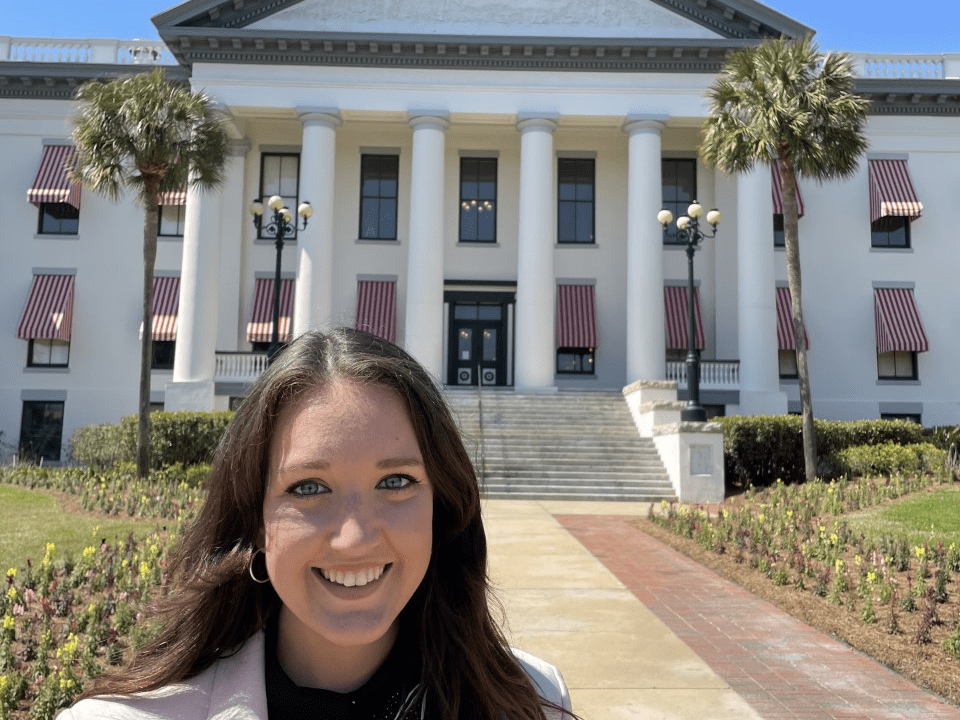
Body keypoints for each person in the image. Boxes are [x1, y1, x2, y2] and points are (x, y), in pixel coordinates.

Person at [59, 327, 573, 720]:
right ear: (255, 521)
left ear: (442, 507)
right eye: (308, 487)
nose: (355, 538)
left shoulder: (535, 701)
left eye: (396, 482)